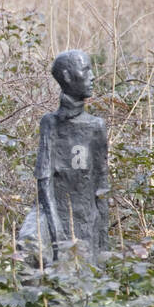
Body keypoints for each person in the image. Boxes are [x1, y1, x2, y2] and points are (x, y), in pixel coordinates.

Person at [35, 49, 110, 264]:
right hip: (59, 218)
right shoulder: (50, 124)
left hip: (89, 221)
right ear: (67, 76)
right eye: (85, 70)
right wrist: (56, 229)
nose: (92, 76)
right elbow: (44, 179)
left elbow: (102, 185)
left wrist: (103, 241)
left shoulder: (96, 126)